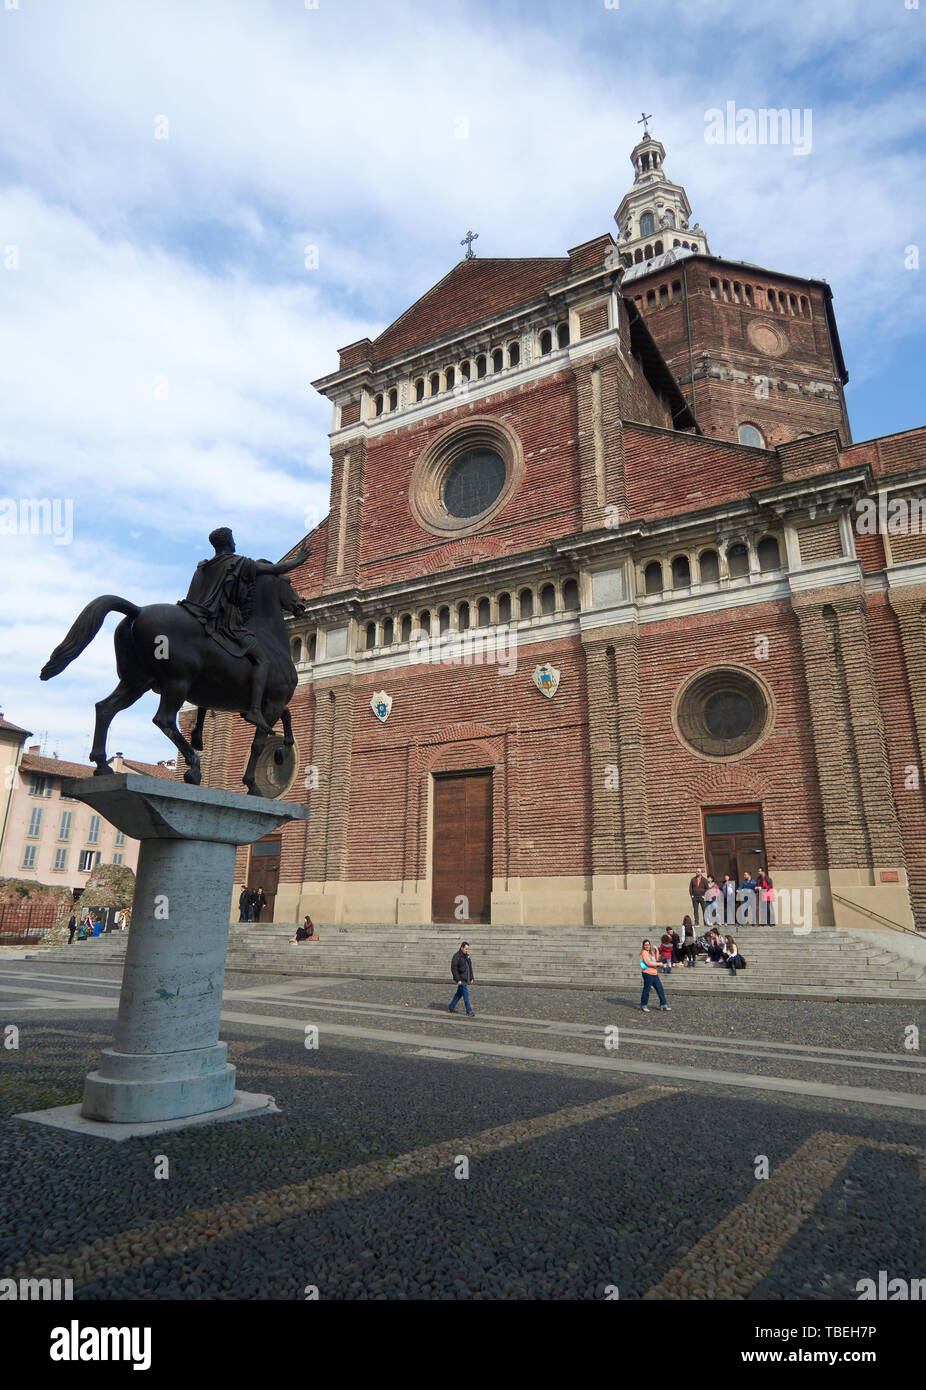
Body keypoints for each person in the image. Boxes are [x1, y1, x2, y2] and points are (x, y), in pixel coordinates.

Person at [178, 527, 309, 732]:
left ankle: (199, 725)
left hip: (206, 622)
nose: (235, 543)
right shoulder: (237, 562)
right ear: (229, 542)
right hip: (228, 624)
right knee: (261, 659)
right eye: (233, 539)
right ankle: (255, 709)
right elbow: (274, 570)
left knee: (210, 667)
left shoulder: (202, 567)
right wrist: (299, 560)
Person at [639, 939, 670, 1012]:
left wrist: (657, 950)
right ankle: (643, 1005)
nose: (647, 946)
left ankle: (663, 1005)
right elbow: (648, 963)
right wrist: (659, 964)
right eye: (645, 945)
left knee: (660, 989)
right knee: (646, 990)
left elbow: (656, 959)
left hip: (654, 973)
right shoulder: (644, 953)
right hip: (647, 973)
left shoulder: (650, 952)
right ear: (643, 946)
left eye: (648, 944)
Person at [449, 942, 475, 1016]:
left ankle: (451, 1007)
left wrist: (471, 977)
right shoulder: (456, 956)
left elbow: (469, 967)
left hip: (466, 978)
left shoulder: (467, 956)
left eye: (467, 949)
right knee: (466, 994)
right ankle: (469, 1011)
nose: (467, 950)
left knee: (459, 994)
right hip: (461, 979)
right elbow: (453, 968)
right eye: (466, 949)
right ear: (462, 948)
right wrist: (458, 980)